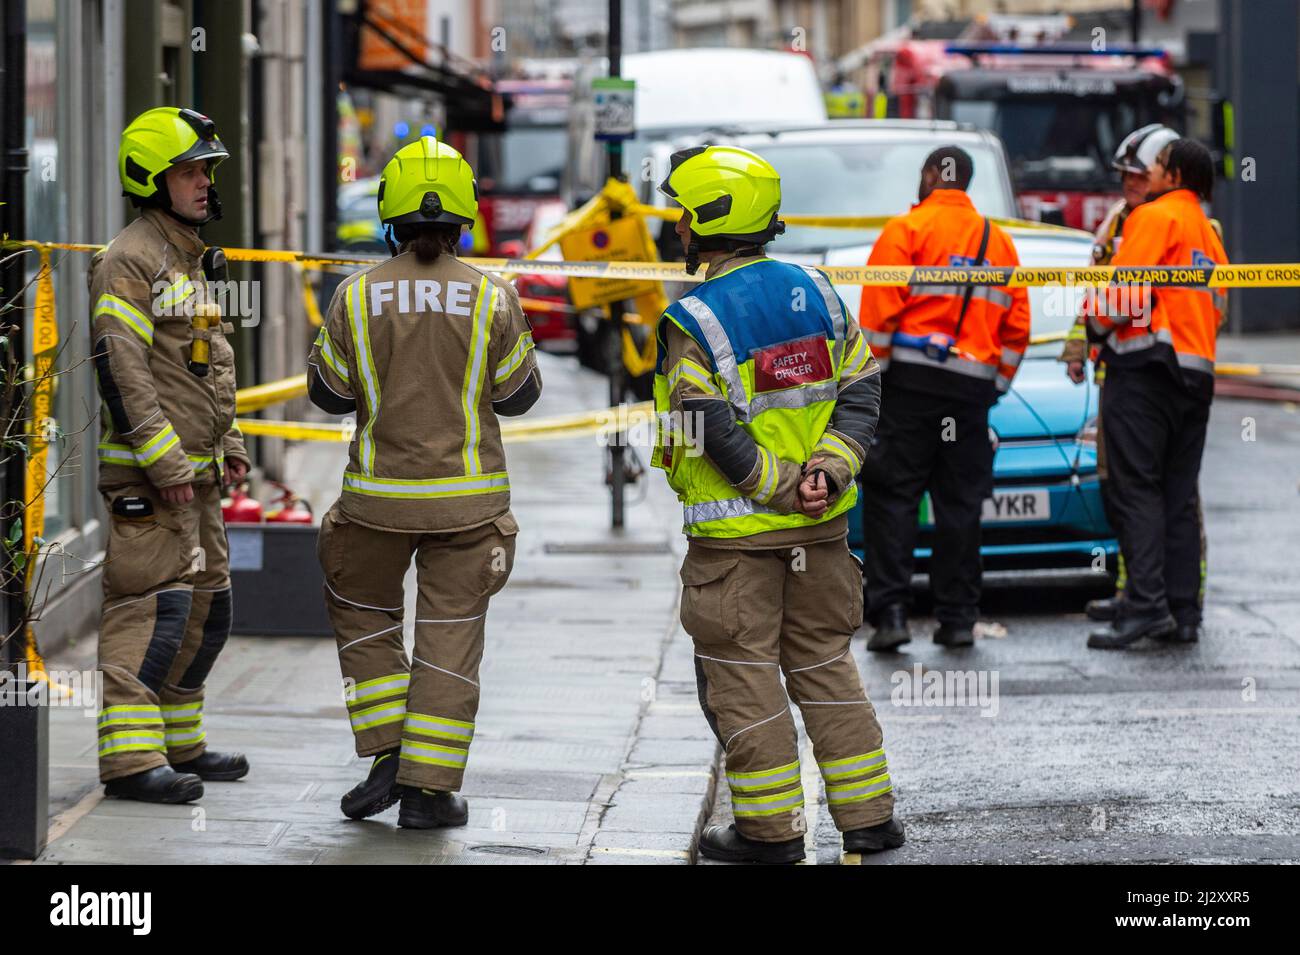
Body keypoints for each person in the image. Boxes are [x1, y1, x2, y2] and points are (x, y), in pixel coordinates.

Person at [653, 144, 904, 864]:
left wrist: (772, 481)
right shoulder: (820, 292)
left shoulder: (693, 319)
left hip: (736, 546)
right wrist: (829, 469)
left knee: (744, 678)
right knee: (825, 665)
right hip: (820, 531)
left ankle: (769, 833)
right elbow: (861, 390)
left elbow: (703, 423)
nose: (678, 226)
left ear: (707, 221)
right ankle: (868, 819)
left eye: (684, 213)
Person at [307, 136, 542, 827]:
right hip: (469, 507)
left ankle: (387, 748)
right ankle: (428, 793)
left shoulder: (354, 296)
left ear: (390, 216)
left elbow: (327, 393)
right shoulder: (493, 296)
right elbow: (519, 394)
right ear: (464, 217)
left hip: (375, 502)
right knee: (450, 635)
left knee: (364, 611)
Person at [89, 107, 250, 803]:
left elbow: (206, 360)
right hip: (154, 479)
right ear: (152, 179)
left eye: (207, 170)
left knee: (209, 609)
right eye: (190, 171)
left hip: (201, 475)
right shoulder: (129, 258)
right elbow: (120, 366)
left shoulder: (184, 254)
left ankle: (181, 743)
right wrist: (166, 464)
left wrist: (232, 444)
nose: (204, 183)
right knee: (149, 610)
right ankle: (129, 762)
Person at [858, 147, 1030, 651]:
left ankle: (890, 614)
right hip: (970, 395)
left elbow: (876, 320)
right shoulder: (996, 240)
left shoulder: (904, 233)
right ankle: (957, 619)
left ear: (933, 175)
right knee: (960, 507)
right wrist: (993, 385)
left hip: (908, 390)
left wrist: (877, 388)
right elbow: (1018, 326)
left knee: (893, 499)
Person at [1083, 138, 1227, 649]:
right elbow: (1220, 307)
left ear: (1176, 174)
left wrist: (1095, 328)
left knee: (1136, 487)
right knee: (1178, 492)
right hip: (1196, 373)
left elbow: (1123, 292)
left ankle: (1145, 607)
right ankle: (1182, 609)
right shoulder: (1206, 232)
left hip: (1144, 369)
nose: (1152, 171)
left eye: (1159, 165)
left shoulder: (1153, 217)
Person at [1061, 124, 1179, 621]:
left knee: (1165, 491)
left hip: (1159, 371)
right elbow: (1096, 289)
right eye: (1124, 174)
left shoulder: (1170, 222)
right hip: (1117, 369)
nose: (1128, 182)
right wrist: (1077, 339)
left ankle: (1173, 595)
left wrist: (1098, 327)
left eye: (1138, 173)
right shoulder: (1114, 223)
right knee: (1120, 488)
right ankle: (1136, 591)